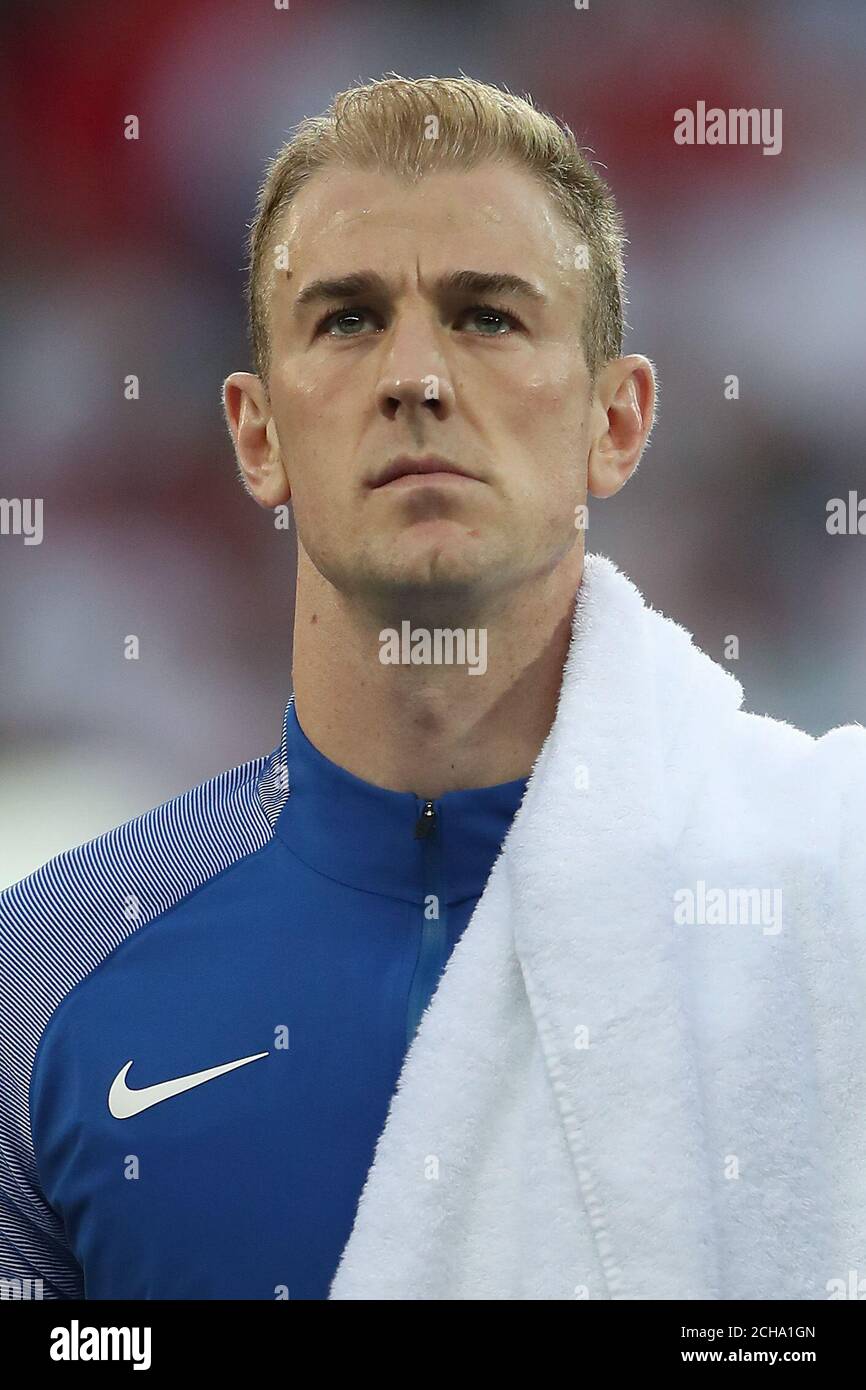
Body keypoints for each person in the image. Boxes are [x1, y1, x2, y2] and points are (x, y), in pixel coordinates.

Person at [1, 75, 864, 1303]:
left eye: (487, 317)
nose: (414, 376)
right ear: (256, 437)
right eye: (347, 320)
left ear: (616, 421)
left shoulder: (833, 882)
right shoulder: (40, 987)